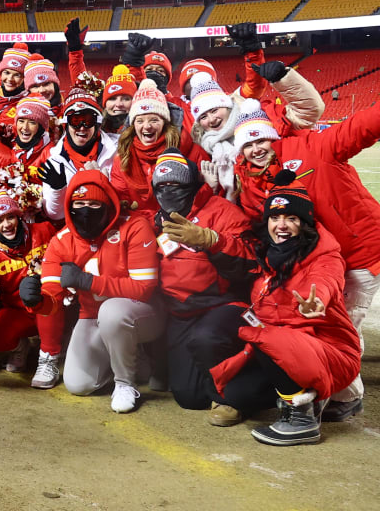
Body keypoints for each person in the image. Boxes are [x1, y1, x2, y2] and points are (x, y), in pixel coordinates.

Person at [181, 172, 361, 445]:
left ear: (305, 223)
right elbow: (239, 250)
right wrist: (210, 238)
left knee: (262, 339)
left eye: (291, 218)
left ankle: (302, 418)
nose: (282, 225)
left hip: (324, 348)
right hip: (277, 346)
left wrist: (318, 301)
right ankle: (281, 393)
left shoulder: (324, 254)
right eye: (275, 218)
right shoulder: (269, 250)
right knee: (229, 377)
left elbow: (324, 280)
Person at [231, 96, 380, 421]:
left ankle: (346, 396)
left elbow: (361, 128)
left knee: (344, 326)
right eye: (248, 143)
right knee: (323, 326)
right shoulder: (250, 180)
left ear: (273, 137)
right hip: (314, 259)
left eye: (261, 139)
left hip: (358, 253)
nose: (256, 148)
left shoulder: (313, 148)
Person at [38, 169, 162, 413]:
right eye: (80, 203)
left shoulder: (134, 227)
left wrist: (88, 281)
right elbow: (52, 298)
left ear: (108, 205)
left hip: (144, 313)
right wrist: (35, 301)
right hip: (92, 316)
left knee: (112, 312)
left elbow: (144, 289)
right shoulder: (62, 240)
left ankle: (125, 382)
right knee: (78, 384)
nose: (86, 210)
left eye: (94, 204)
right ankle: (128, 353)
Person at [150, 150, 254, 426]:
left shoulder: (223, 211)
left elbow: (251, 263)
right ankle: (213, 383)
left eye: (177, 185)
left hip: (224, 305)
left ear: (192, 185)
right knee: (189, 397)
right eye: (161, 186)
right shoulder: (155, 221)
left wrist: (212, 241)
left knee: (207, 337)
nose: (168, 191)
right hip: (181, 312)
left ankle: (237, 396)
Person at [0, 188, 60, 388]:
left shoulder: (44, 230)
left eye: (10, 217)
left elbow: (68, 258)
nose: (6, 225)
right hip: (19, 312)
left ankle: (50, 358)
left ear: (18, 216)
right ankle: (20, 346)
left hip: (53, 306)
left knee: (42, 293)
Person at [190, 64, 323, 201]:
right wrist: (211, 188)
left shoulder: (263, 116)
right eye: (203, 117)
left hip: (298, 199)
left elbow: (309, 111)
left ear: (227, 105)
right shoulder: (205, 148)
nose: (211, 120)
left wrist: (283, 79)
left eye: (214, 110)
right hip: (256, 213)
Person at [111, 79, 206, 216]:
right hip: (142, 226)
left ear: (165, 122)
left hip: (184, 223)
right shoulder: (123, 157)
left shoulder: (192, 151)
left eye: (154, 120)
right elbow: (122, 202)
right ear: (133, 125)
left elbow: (203, 199)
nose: (147, 126)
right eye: (140, 121)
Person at [39, 89, 118, 223]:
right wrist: (58, 190)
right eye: (75, 121)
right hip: (75, 227)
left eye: (88, 120)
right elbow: (55, 214)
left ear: (97, 124)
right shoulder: (55, 160)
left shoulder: (117, 149)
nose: (82, 127)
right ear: (66, 124)